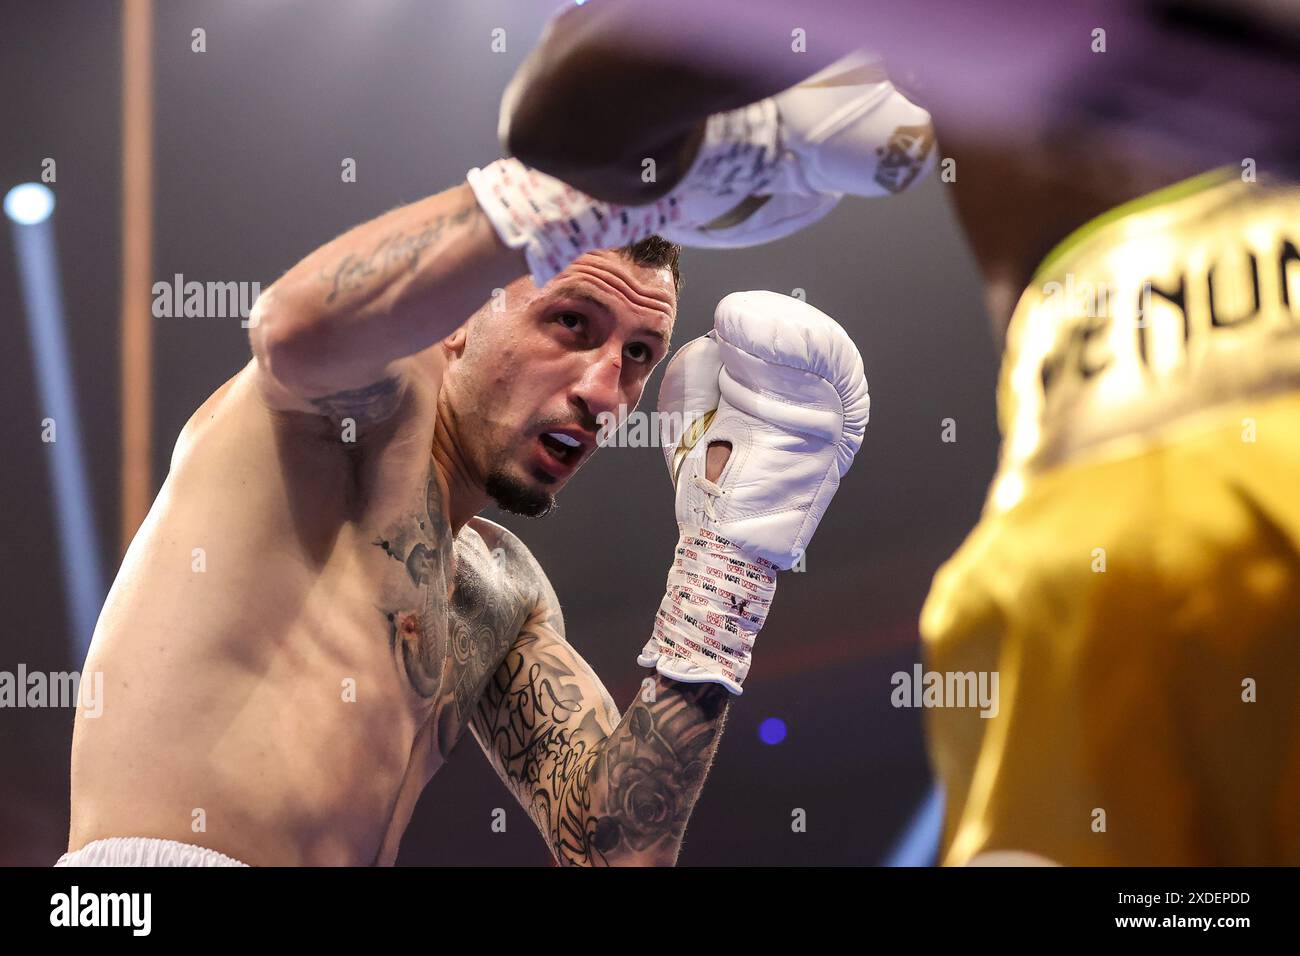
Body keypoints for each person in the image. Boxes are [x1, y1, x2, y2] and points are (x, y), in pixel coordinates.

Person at [61, 54, 915, 865]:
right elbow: (289, 329)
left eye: (640, 355)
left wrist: (729, 569)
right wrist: (585, 197)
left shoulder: (499, 591)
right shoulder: (346, 421)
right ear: (456, 318)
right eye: (571, 323)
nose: (605, 390)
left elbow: (617, 846)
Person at [498, 0, 1300, 864]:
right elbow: (559, 117)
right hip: (1102, 480)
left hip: (1097, 510)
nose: (603, 389)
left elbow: (565, 111)